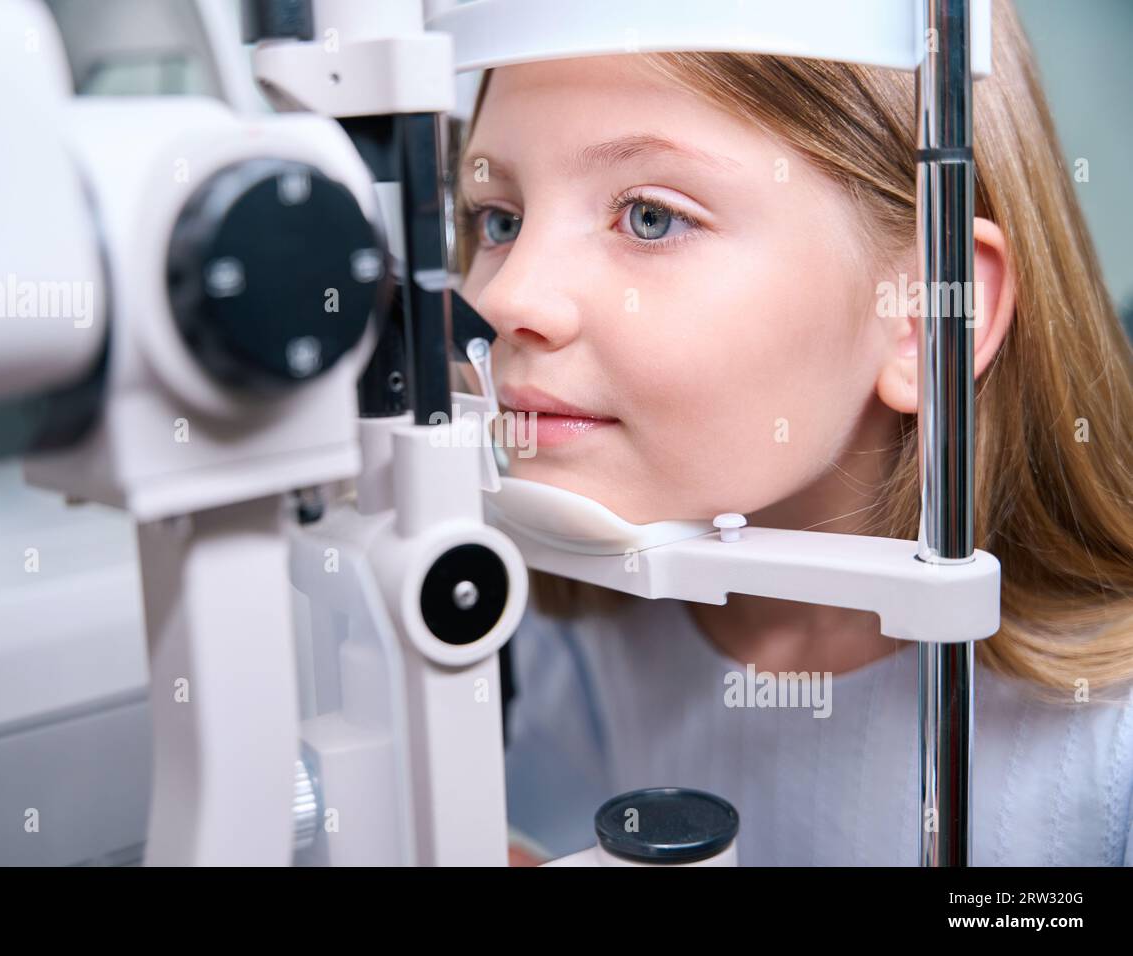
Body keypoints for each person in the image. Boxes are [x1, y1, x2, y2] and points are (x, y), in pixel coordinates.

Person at [452, 0, 1133, 865]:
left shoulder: (1106, 757)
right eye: (499, 219)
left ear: (927, 315)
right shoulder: (566, 636)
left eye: (651, 217)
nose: (507, 297)